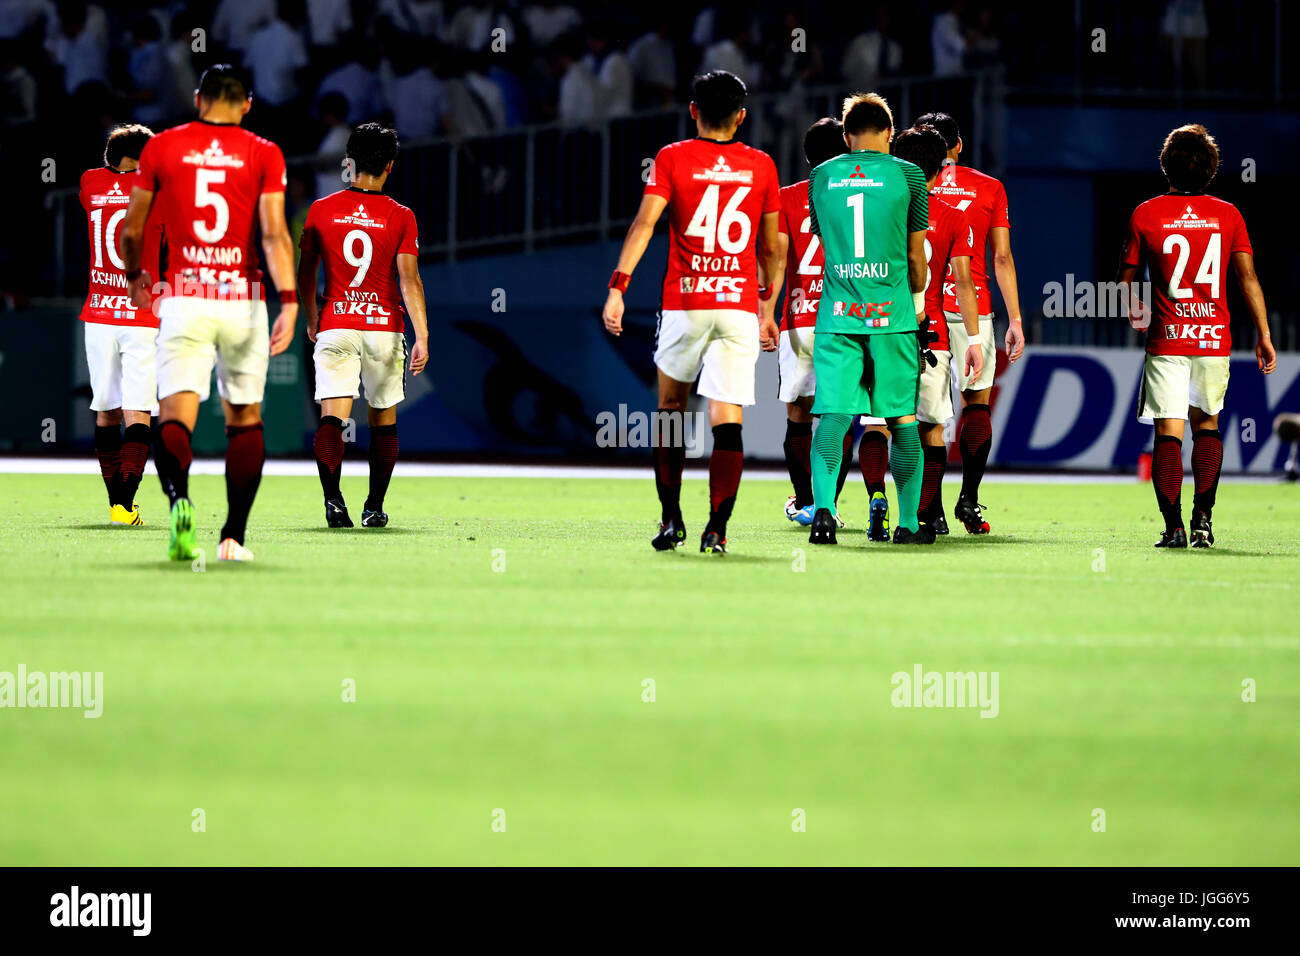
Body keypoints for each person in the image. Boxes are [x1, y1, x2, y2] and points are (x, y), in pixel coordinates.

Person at [119, 64, 298, 562]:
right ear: (246, 104)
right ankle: (233, 538)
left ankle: (180, 505)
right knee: (244, 417)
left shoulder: (161, 147)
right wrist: (290, 299)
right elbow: (274, 235)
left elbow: (133, 230)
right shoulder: (264, 152)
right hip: (241, 297)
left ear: (198, 100)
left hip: (184, 293)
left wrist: (137, 279)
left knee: (175, 414)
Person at [601, 71, 782, 555]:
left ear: (693, 110)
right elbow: (772, 248)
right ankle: (717, 529)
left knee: (670, 412)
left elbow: (645, 223)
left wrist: (619, 287)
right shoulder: (761, 165)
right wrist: (768, 306)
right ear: (741, 117)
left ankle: (670, 520)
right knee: (728, 417)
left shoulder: (672, 157)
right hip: (738, 305)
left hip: (687, 301)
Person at [1118, 124, 1275, 548]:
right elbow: (1248, 278)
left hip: (1168, 339)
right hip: (1212, 339)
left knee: (1169, 432)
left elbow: (1125, 277)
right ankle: (1203, 521)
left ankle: (1174, 529)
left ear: (1165, 165)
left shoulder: (1146, 213)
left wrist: (1134, 304)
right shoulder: (1228, 214)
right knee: (1208, 425)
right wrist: (1263, 333)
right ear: (1211, 169)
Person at [805, 92, 930, 546]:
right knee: (902, 421)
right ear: (891, 134)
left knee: (834, 418)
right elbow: (916, 258)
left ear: (845, 135)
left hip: (838, 315)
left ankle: (822, 513)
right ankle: (909, 526)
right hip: (892, 315)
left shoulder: (821, 177)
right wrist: (912, 296)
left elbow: (827, 239)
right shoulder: (910, 175)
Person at [298, 123, 429, 528]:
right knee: (382, 421)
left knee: (332, 418)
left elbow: (305, 272)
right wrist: (421, 334)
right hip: (383, 328)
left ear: (348, 162)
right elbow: (409, 280)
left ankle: (334, 502)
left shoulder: (320, 210)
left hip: (336, 322)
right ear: (390, 165)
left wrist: (310, 314)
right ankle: (374, 506)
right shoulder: (401, 216)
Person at [917, 110, 1025, 533]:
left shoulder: (910, 189)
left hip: (922, 310)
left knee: (928, 416)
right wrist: (1014, 318)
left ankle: (932, 509)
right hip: (972, 310)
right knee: (975, 404)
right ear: (958, 146)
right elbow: (1001, 257)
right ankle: (969, 500)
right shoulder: (989, 188)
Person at [886, 124, 982, 533]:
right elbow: (962, 283)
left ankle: (885, 507)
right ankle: (927, 516)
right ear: (941, 168)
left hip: (881, 327)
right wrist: (974, 339)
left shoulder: (881, 208)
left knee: (888, 424)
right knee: (932, 426)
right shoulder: (953, 216)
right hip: (933, 336)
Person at [78, 123, 162, 525]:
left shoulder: (89, 182)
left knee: (106, 412)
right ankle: (125, 506)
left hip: (97, 315)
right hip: (141, 314)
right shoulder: (155, 195)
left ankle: (119, 506)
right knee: (139, 412)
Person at [770, 117, 851, 527]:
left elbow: (777, 261)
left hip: (801, 317)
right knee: (841, 413)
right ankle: (827, 504)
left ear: (807, 157)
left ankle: (805, 501)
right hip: (850, 315)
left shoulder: (786, 198)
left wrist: (765, 313)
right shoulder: (861, 193)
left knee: (799, 414)